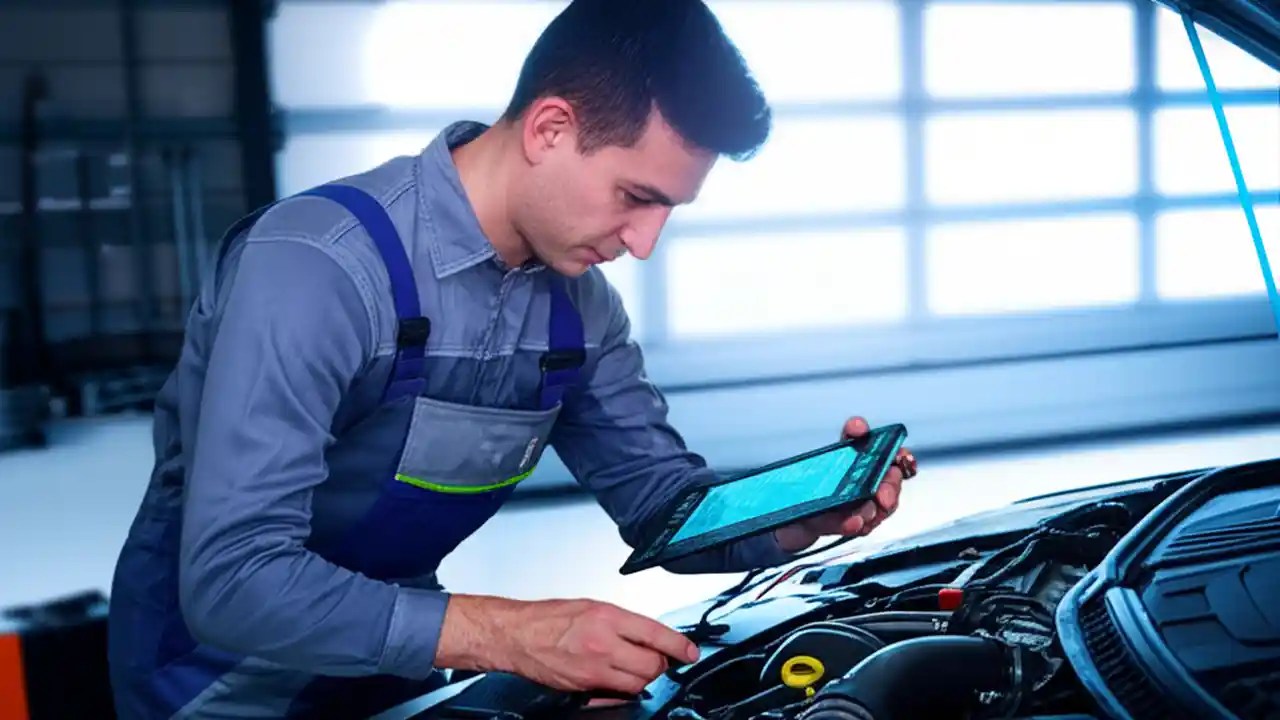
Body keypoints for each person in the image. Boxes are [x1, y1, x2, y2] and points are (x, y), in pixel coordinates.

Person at [106, 0, 917, 717]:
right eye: (635, 197)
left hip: (398, 669)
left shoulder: (580, 310)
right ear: (550, 129)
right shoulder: (316, 267)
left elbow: (663, 506)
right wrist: (511, 633)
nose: (644, 243)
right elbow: (234, 578)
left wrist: (798, 516)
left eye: (668, 209)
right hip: (212, 682)